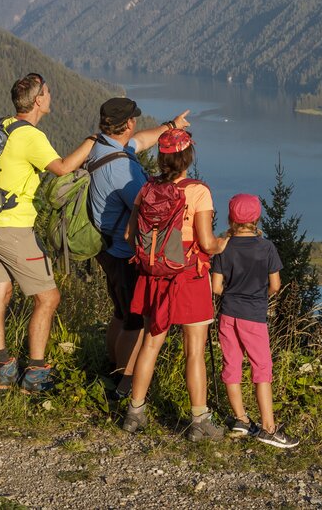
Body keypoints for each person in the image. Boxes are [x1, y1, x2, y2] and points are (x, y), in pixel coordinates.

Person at [0, 72, 95, 393]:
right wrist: (91, 142)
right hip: (14, 229)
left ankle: (2, 367)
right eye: (47, 92)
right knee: (48, 297)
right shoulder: (30, 135)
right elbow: (62, 168)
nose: (51, 95)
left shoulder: (3, 126)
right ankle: (35, 372)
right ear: (39, 101)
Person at [120, 128, 225, 441]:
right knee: (194, 350)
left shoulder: (146, 189)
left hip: (154, 277)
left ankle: (134, 413)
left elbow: (129, 236)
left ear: (162, 158)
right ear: (188, 157)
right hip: (188, 277)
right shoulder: (198, 191)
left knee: (151, 344)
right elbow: (206, 242)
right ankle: (199, 421)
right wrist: (223, 244)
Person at [86, 97, 191, 399]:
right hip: (124, 251)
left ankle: (112, 370)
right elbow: (150, 207)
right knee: (133, 321)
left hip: (107, 247)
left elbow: (141, 140)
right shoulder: (122, 169)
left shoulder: (104, 147)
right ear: (129, 123)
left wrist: (171, 126)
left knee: (120, 313)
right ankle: (124, 384)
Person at [211, 193, 298, 448]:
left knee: (232, 366)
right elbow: (275, 285)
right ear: (257, 218)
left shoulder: (223, 247)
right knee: (261, 370)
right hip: (254, 317)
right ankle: (268, 429)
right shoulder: (266, 247)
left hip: (228, 314)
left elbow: (216, 288)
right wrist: (260, 296)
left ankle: (241, 419)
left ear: (231, 218)